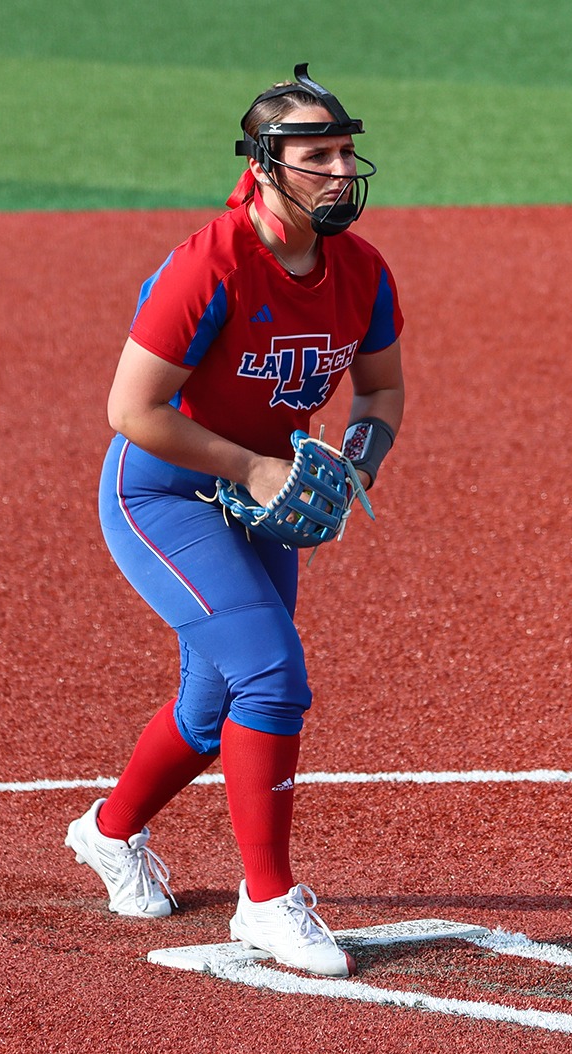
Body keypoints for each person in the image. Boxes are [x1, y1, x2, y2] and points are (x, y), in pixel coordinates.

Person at [64, 63, 405, 979]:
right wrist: (255, 465)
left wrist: (356, 461)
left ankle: (108, 831)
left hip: (258, 500)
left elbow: (380, 388)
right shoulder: (210, 263)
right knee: (272, 674)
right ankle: (267, 901)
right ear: (264, 166)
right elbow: (133, 410)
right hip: (163, 494)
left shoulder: (361, 271)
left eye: (345, 152)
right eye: (316, 155)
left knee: (216, 704)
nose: (340, 171)